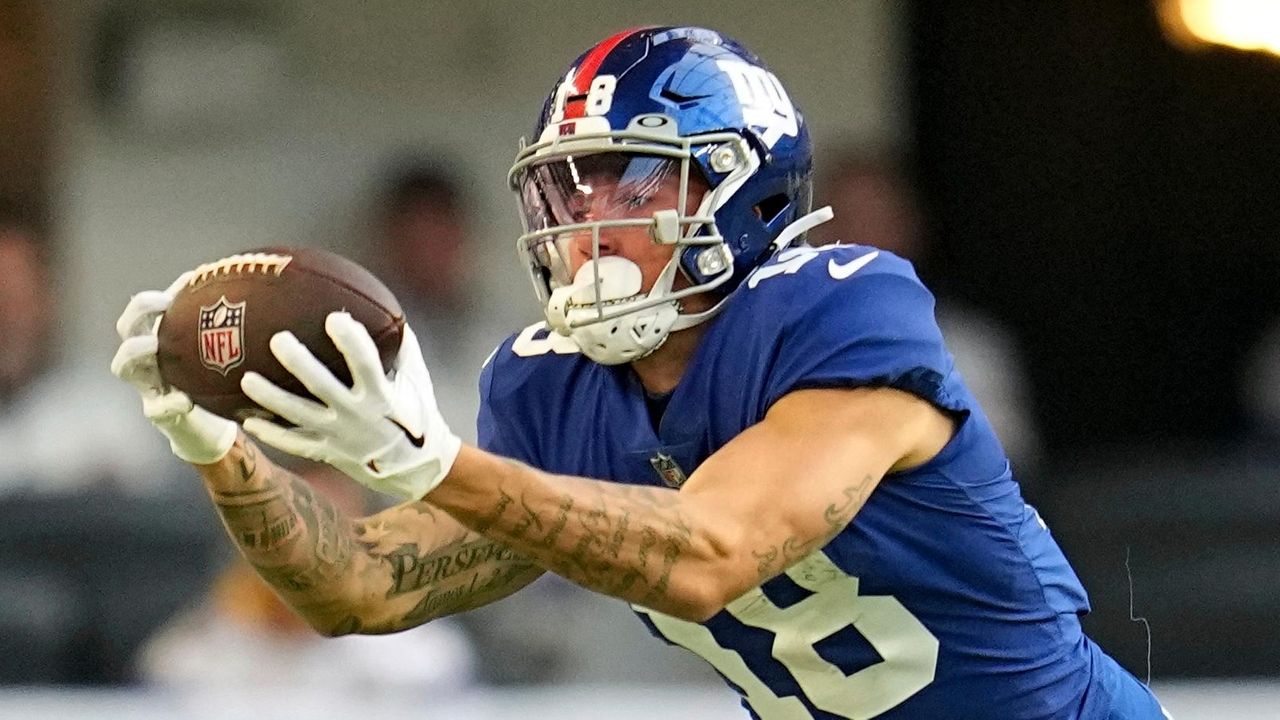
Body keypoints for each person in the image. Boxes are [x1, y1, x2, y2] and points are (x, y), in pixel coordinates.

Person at [112, 26, 1170, 719]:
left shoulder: (837, 312)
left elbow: (710, 551)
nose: (582, 222)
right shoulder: (553, 385)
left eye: (624, 179)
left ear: (742, 192)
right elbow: (357, 585)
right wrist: (220, 448)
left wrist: (422, 458)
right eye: (564, 192)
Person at [811, 148, 1042, 474]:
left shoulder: (971, 351)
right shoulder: (775, 357)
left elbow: (1001, 478)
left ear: (909, 229)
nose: (856, 240)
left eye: (875, 221)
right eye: (843, 220)